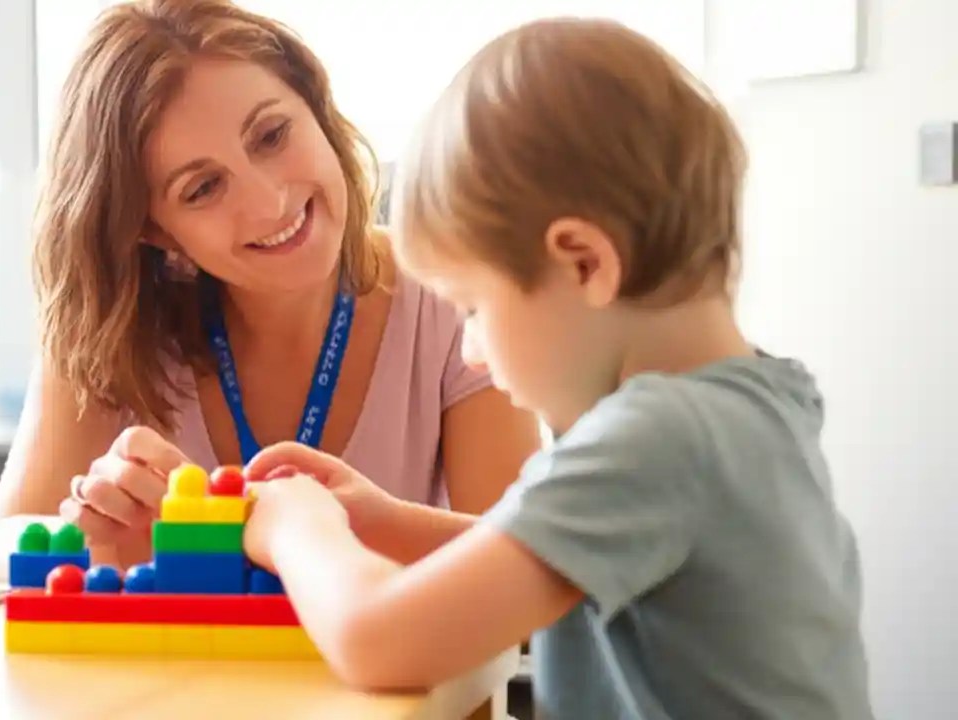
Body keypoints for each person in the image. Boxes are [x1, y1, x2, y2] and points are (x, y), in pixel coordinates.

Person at [240, 17, 874, 719]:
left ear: (583, 263)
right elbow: (567, 560)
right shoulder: (757, 401)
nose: (472, 346)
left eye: (474, 307)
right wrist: (382, 522)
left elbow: (378, 642)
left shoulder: (653, 437)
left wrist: (296, 529)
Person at [0, 0, 539, 574]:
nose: (269, 204)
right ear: (153, 229)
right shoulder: (116, 320)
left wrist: (251, 538)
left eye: (271, 135)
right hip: (180, 668)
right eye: (203, 188)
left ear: (316, 106)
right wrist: (88, 531)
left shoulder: (451, 293)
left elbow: (530, 570)